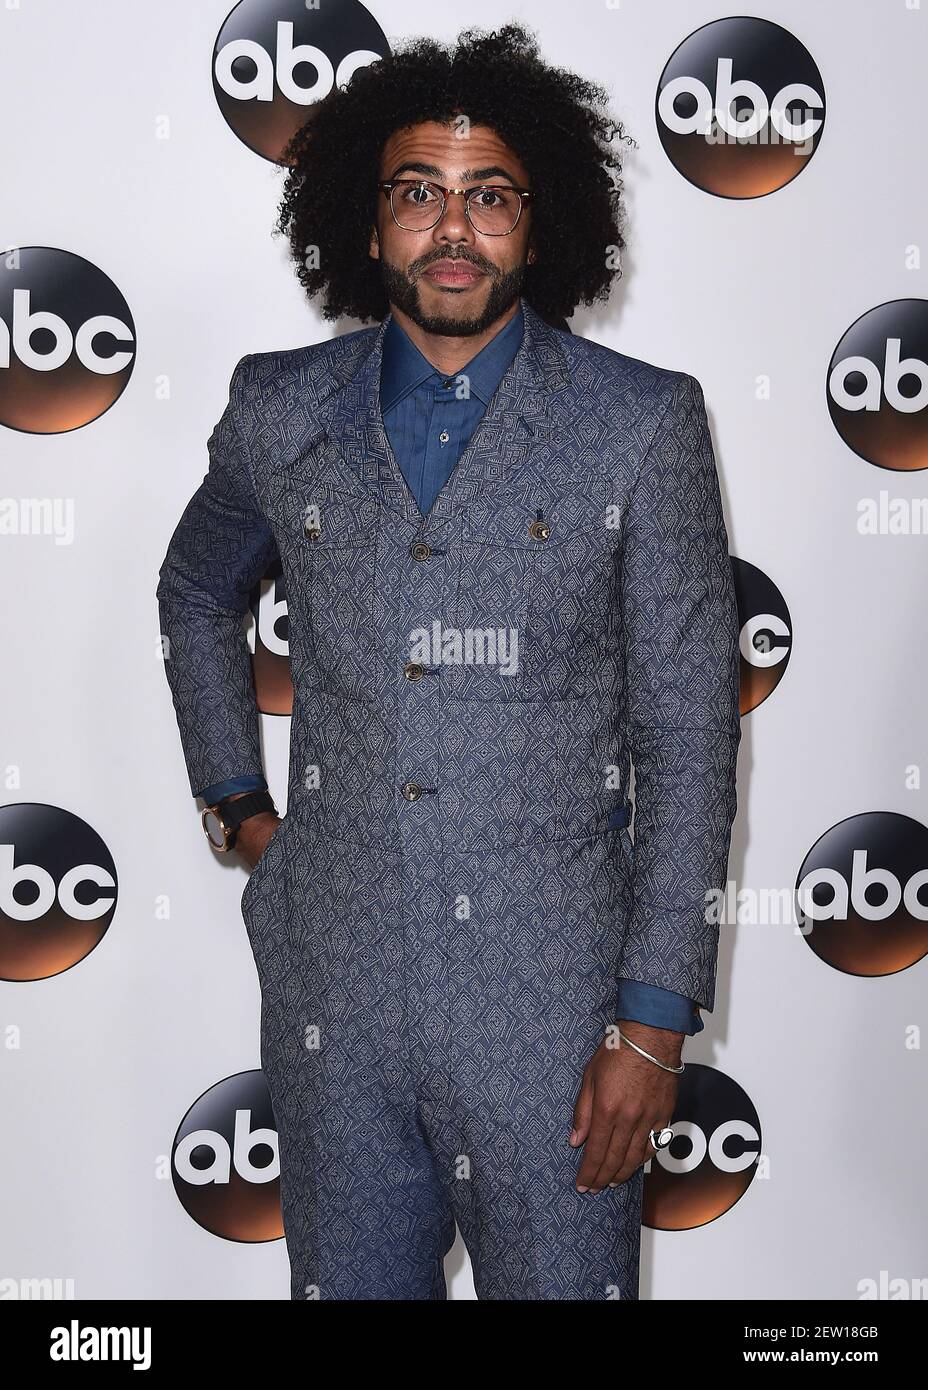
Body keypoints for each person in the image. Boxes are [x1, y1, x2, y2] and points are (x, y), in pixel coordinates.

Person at [156, 23, 741, 1300]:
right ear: (367, 223)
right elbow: (197, 589)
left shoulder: (641, 425)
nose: (453, 231)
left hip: (559, 1016)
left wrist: (648, 1021)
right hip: (334, 1000)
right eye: (418, 195)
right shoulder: (281, 407)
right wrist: (241, 813)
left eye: (490, 198)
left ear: (543, 224)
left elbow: (691, 731)